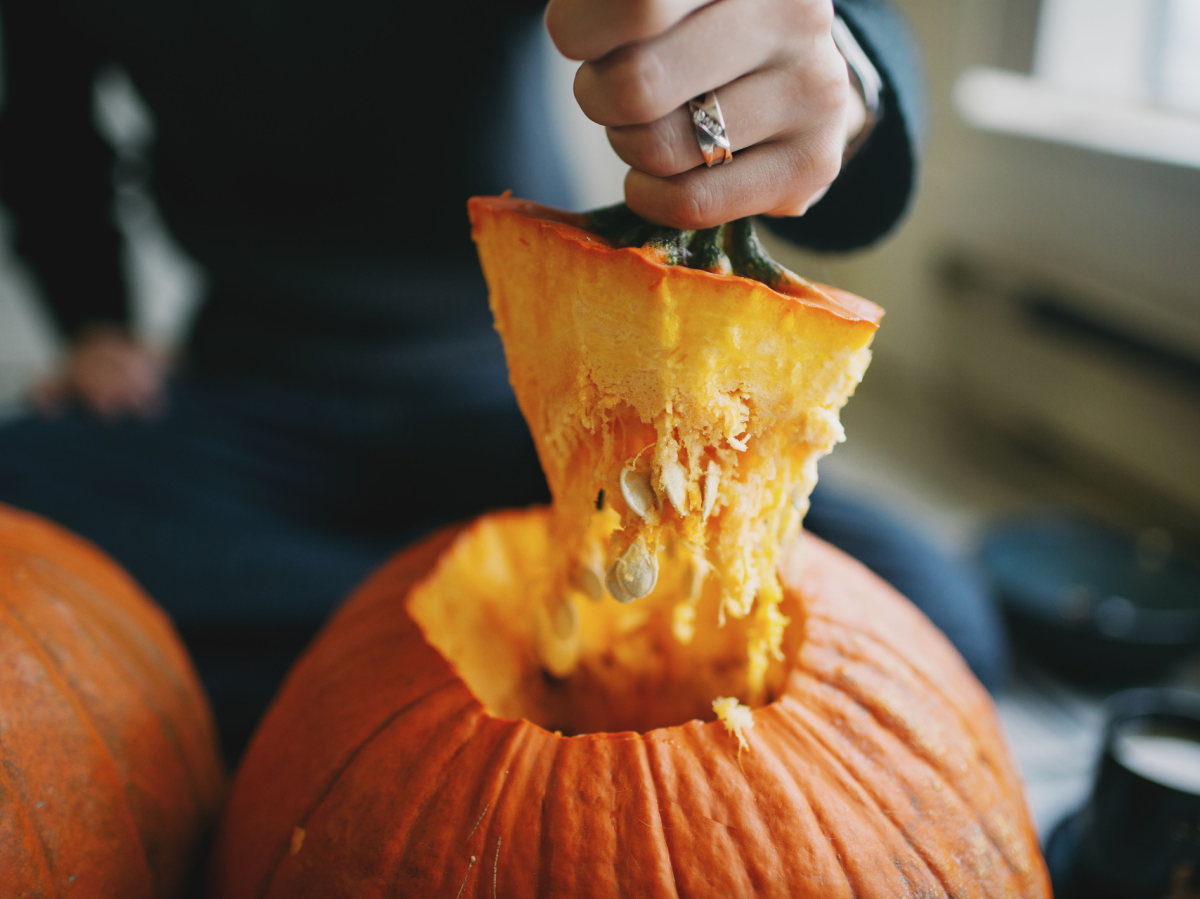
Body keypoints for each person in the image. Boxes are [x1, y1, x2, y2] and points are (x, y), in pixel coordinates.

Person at [0, 0, 1005, 759]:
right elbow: (46, 131)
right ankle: (501, 631)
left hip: (540, 393)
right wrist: (94, 320)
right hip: (238, 401)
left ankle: (367, 663)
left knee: (929, 612)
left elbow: (846, 29)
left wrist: (835, 76)